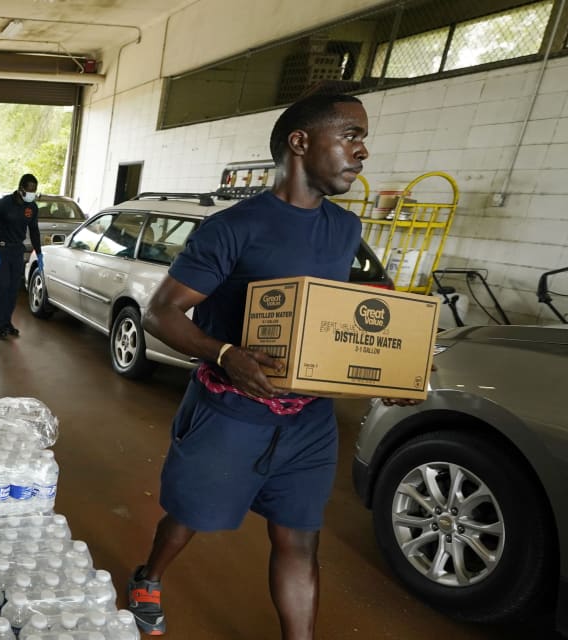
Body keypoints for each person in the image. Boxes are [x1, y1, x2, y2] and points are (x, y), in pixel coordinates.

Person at [127, 94, 415, 639]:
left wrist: (387, 373)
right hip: (231, 413)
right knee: (189, 517)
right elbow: (160, 312)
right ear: (300, 142)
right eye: (350, 135)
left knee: (299, 539)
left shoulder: (344, 230)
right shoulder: (232, 228)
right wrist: (225, 354)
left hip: (307, 422)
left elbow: (343, 317)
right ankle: (150, 577)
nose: (363, 151)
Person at [0, 174, 41, 339]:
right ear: (21, 189)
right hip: (1, 250)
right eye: (29, 190)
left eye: (34, 191)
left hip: (17, 251)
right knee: (2, 287)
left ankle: (6, 322)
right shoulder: (2, 204)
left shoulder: (31, 207)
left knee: (13, 289)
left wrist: (39, 253)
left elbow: (33, 230)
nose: (32, 194)